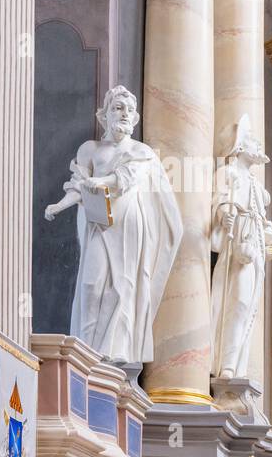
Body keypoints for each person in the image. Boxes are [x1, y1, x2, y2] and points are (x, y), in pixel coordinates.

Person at [45, 85, 182, 364]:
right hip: (99, 223)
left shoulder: (141, 152)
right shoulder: (91, 150)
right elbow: (78, 185)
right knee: (91, 285)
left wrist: (100, 182)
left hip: (129, 227)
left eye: (130, 110)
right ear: (103, 115)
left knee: (123, 287)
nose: (124, 114)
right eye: (118, 108)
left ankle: (115, 352)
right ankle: (84, 354)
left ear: (135, 119)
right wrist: (59, 205)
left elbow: (125, 177)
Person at [211, 115, 272, 379]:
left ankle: (237, 362)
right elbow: (221, 201)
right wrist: (223, 214)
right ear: (240, 147)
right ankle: (226, 364)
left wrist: (271, 239)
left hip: (253, 239)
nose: (258, 147)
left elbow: (260, 216)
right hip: (238, 237)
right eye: (253, 142)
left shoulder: (254, 182)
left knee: (250, 302)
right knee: (238, 300)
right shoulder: (228, 172)